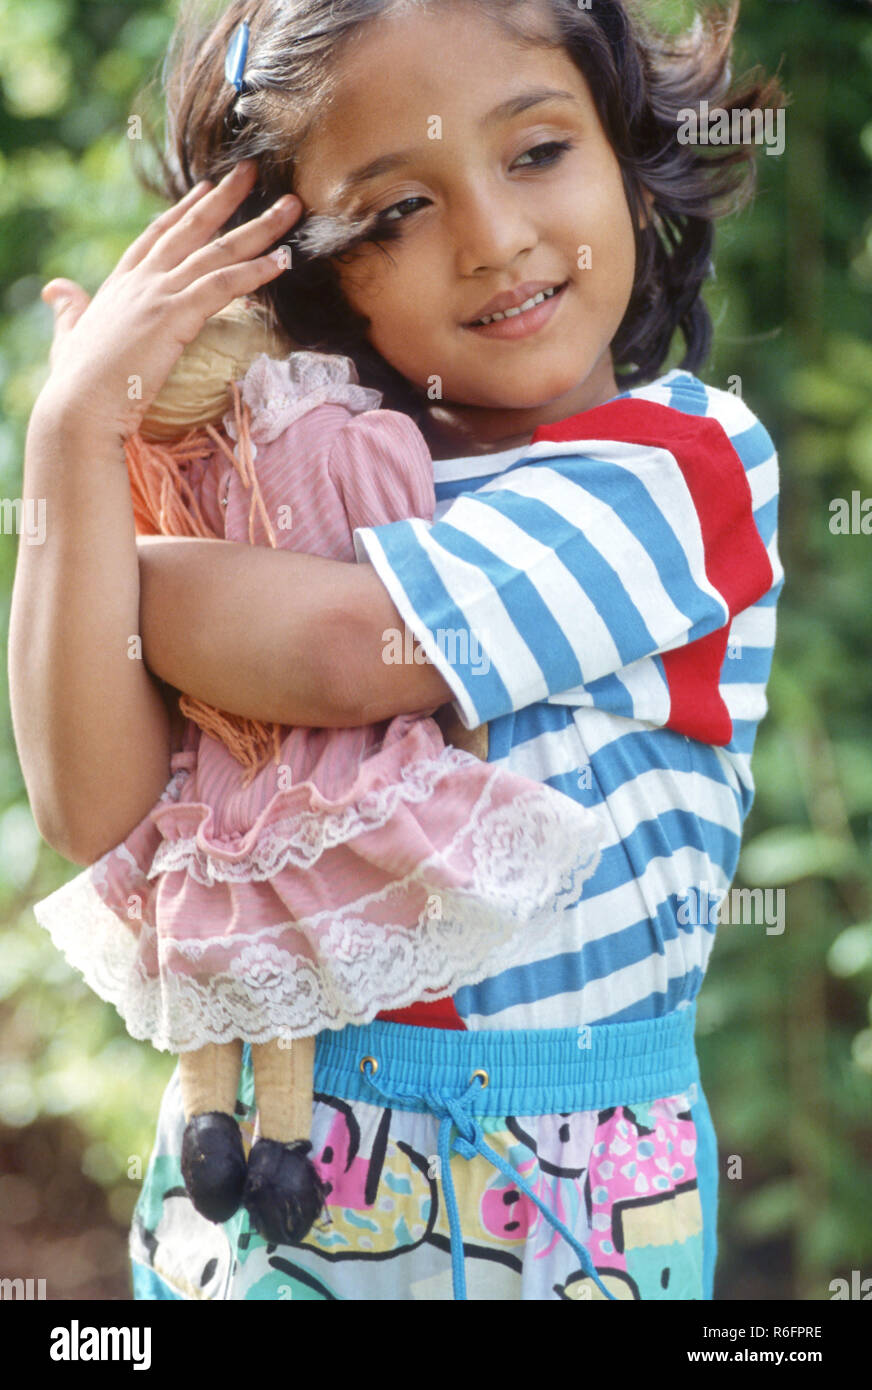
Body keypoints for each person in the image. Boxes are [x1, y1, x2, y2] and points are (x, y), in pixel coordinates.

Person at [11, 0, 785, 1301]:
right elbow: (89, 806)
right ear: (301, 270)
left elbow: (341, 650)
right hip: (258, 1210)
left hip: (557, 1207)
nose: (493, 238)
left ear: (624, 155)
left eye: (537, 151)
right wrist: (70, 441)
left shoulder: (674, 468)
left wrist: (113, 568)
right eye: (393, 212)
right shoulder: (289, 494)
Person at [29, 309, 604, 1249]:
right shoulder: (288, 450)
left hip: (235, 769)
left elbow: (337, 652)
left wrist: (108, 543)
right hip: (276, 768)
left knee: (237, 928)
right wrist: (68, 430)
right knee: (261, 940)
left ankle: (235, 1126)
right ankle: (257, 1134)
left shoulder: (213, 471)